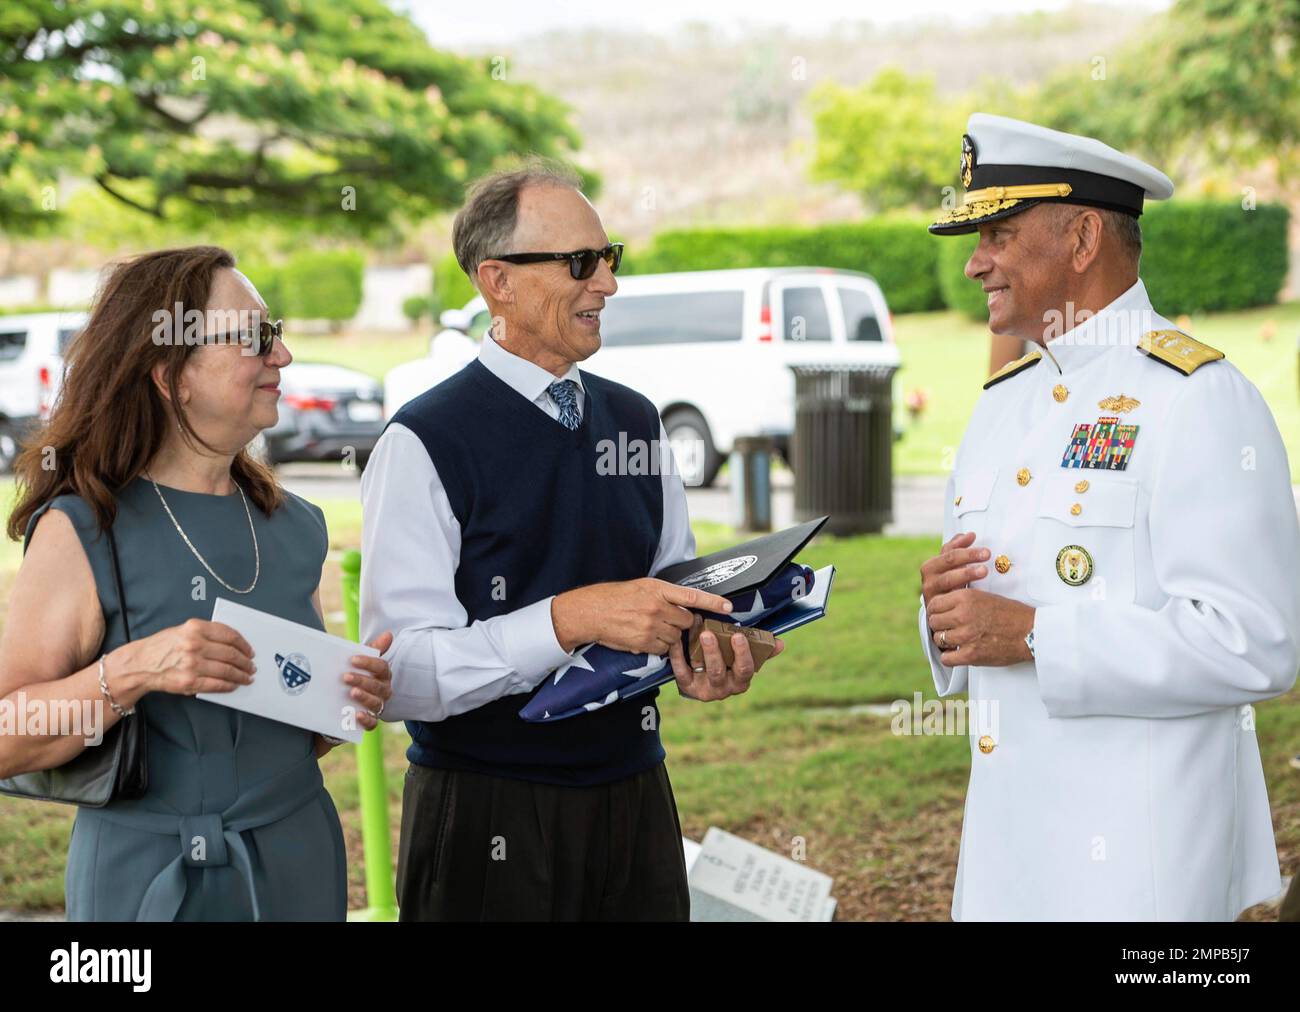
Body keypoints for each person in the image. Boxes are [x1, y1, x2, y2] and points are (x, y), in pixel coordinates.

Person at [361, 160, 784, 921]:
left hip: (637, 801)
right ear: (499, 281)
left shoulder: (638, 420)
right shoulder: (424, 441)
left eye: (609, 256)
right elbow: (401, 675)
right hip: (486, 820)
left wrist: (711, 650)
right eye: (581, 263)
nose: (608, 283)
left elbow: (671, 596)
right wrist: (569, 619)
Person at [918, 113, 1300, 921]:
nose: (974, 261)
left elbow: (1256, 641)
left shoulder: (1196, 397)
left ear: (1084, 237)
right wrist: (943, 613)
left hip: (1139, 872)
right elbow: (986, 615)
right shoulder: (1001, 405)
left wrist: (1031, 636)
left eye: (997, 234)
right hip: (1008, 861)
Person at [0, 245, 394, 921]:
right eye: (255, 339)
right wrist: (130, 670)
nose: (283, 357)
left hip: (297, 862)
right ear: (170, 374)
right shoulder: (82, 528)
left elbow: (279, 722)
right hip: (150, 881)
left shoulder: (294, 525)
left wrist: (341, 699)